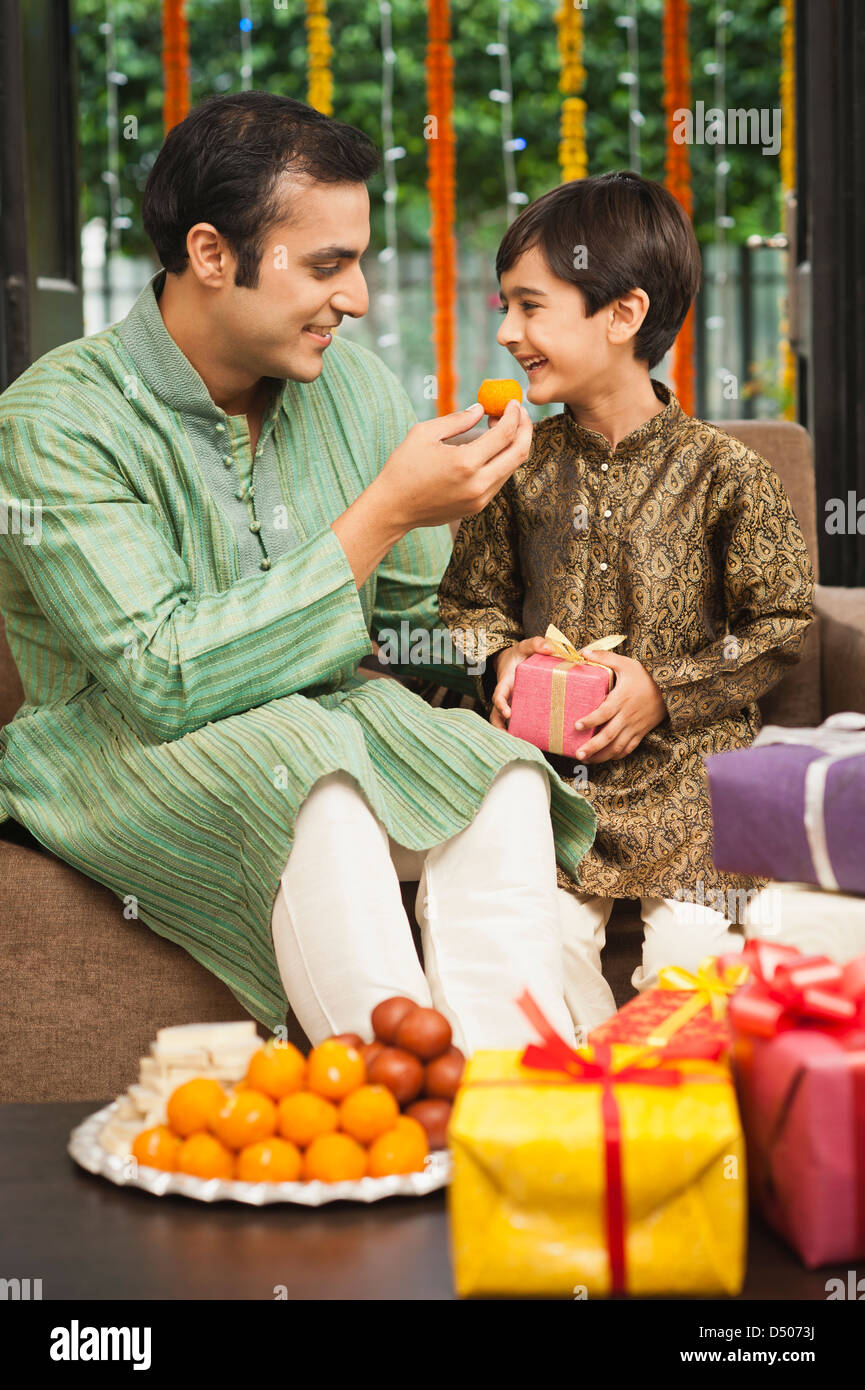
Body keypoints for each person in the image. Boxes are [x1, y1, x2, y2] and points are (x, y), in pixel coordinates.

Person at [0, 92, 598, 1055]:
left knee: (501, 784)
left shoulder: (352, 384)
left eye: (357, 260)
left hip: (326, 719)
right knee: (315, 784)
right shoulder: (56, 420)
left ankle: (515, 1101)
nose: (356, 298)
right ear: (210, 254)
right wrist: (382, 515)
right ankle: (397, 1110)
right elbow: (160, 676)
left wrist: (517, 657)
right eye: (327, 265)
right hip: (112, 747)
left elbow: (414, 620)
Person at [438, 171, 815, 1029]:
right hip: (550, 790)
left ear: (622, 314)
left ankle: (669, 1119)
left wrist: (663, 690)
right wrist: (500, 656)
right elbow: (466, 604)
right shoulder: (515, 467)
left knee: (693, 964)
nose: (504, 332)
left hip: (694, 785)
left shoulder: (727, 472)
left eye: (530, 307)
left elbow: (782, 621)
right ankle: (580, 1112)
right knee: (533, 963)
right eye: (504, 307)